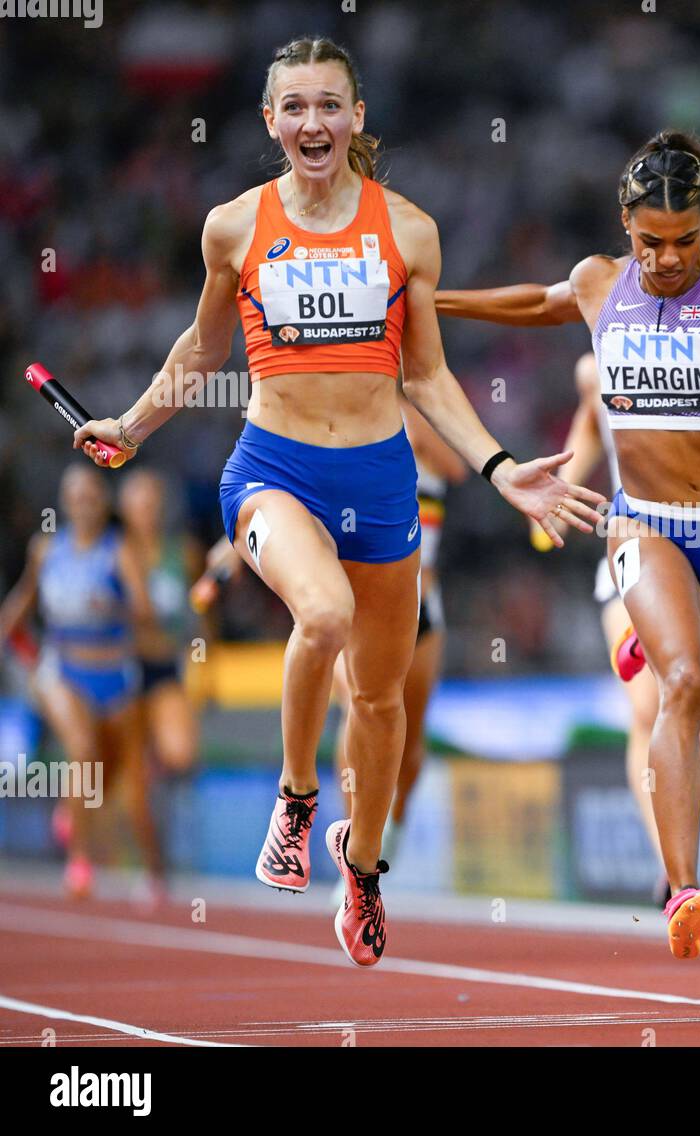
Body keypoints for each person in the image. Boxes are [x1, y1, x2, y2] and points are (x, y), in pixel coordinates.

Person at [71, 36, 603, 967]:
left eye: (330, 105)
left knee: (384, 701)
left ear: (358, 118)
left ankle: (359, 872)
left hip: (382, 478)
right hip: (276, 468)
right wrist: (132, 424)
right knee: (322, 614)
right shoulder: (234, 227)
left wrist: (499, 468)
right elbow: (201, 352)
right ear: (271, 122)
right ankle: (297, 796)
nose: (313, 123)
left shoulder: (409, 230)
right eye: (295, 107)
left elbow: (429, 378)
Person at [436, 130, 700, 957]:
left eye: (685, 242)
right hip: (644, 525)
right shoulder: (598, 284)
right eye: (651, 242)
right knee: (680, 683)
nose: (667, 259)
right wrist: (429, 302)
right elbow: (530, 303)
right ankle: (684, 887)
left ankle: (656, 643)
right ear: (626, 225)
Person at [538, 351, 700, 905]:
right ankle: (673, 868)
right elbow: (588, 419)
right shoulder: (595, 367)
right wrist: (561, 488)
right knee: (649, 709)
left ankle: (663, 646)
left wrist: (699, 425)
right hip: (640, 532)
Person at [0, 465, 163, 902]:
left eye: (91, 495)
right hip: (62, 668)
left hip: (113, 671)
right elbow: (24, 597)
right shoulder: (47, 548)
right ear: (65, 502)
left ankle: (136, 859)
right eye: (74, 496)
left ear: (103, 502)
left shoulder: (119, 551)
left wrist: (112, 604)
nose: (83, 503)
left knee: (122, 775)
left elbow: (146, 612)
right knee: (83, 752)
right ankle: (79, 862)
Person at [332, 396, 467, 870]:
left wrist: (407, 409)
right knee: (357, 712)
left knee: (407, 744)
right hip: (353, 601)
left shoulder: (421, 415)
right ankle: (355, 851)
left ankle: (397, 823)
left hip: (420, 606)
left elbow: (457, 468)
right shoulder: (337, 419)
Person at [119, 469, 202, 776]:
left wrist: (207, 661)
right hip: (117, 669)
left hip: (165, 664)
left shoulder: (184, 553)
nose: (147, 513)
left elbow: (204, 611)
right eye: (140, 505)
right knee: (125, 764)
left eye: (153, 505)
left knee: (181, 754)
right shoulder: (114, 552)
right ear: (125, 508)